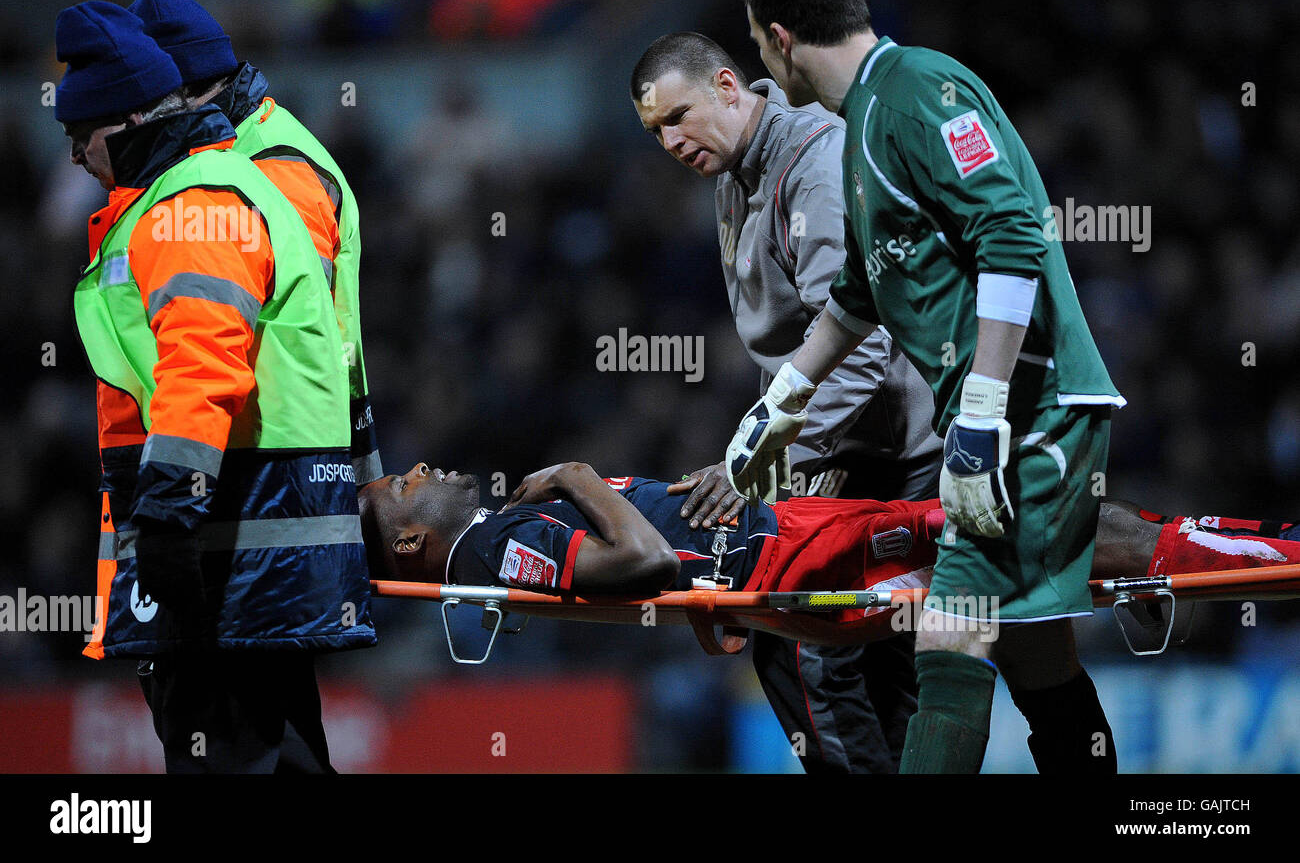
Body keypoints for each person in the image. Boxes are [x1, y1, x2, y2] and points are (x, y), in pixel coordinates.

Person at [729, 0, 1126, 773]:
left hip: (1030, 413)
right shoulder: (866, 121)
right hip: (1008, 417)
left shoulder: (917, 93)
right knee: (1035, 658)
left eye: (759, 50)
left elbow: (1012, 233)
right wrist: (786, 395)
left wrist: (981, 414)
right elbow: (862, 296)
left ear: (779, 38)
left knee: (950, 635)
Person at [58, 1, 375, 773]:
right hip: (255, 538)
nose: (72, 156)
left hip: (229, 543)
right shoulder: (228, 179)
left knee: (229, 752)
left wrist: (168, 514)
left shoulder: (191, 205)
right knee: (276, 753)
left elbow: (205, 362)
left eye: (81, 135)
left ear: (132, 120)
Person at [630, 31, 941, 773]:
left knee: (805, 646)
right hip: (850, 452)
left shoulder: (815, 163)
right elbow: (790, 348)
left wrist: (770, 463)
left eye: (679, 115)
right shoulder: (734, 174)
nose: (670, 140)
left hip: (890, 450)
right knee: (878, 664)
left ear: (730, 87)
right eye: (655, 131)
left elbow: (859, 345)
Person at [359, 461, 1300, 613]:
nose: (423, 467)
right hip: (789, 556)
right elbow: (640, 562)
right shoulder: (485, 553)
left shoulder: (495, 524)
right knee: (1075, 527)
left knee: (1074, 530)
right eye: (403, 485)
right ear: (408, 543)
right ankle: (1273, 556)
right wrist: (573, 474)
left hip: (784, 530)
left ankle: (1259, 551)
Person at [128, 0, 383, 486]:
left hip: (285, 460)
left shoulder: (274, 168)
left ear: (182, 94)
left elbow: (290, 333)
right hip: (273, 447)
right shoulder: (240, 152)